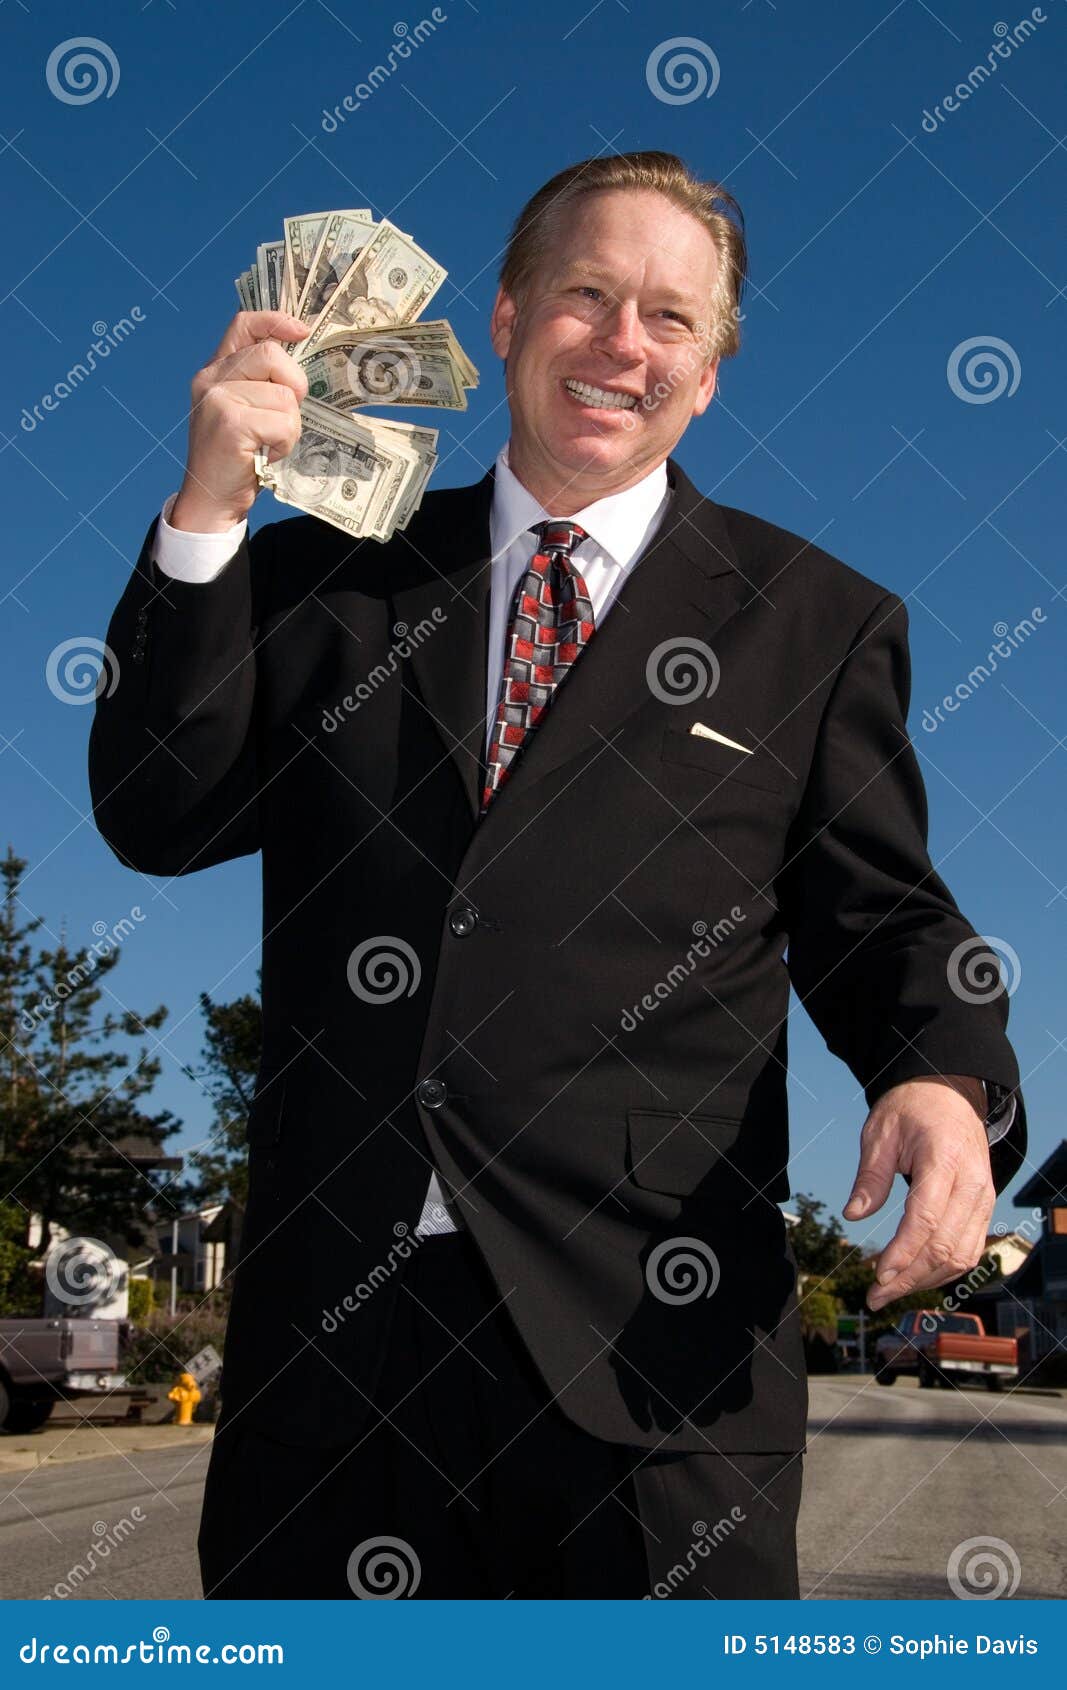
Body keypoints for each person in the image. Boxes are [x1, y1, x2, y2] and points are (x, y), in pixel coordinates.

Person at [88, 151, 1025, 1600]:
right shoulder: (330, 580)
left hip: (648, 1367)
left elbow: (879, 912)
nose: (624, 342)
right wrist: (208, 514)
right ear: (512, 318)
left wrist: (944, 1077)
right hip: (337, 1358)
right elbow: (156, 812)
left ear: (709, 374)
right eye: (588, 293)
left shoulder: (816, 623)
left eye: (671, 317)